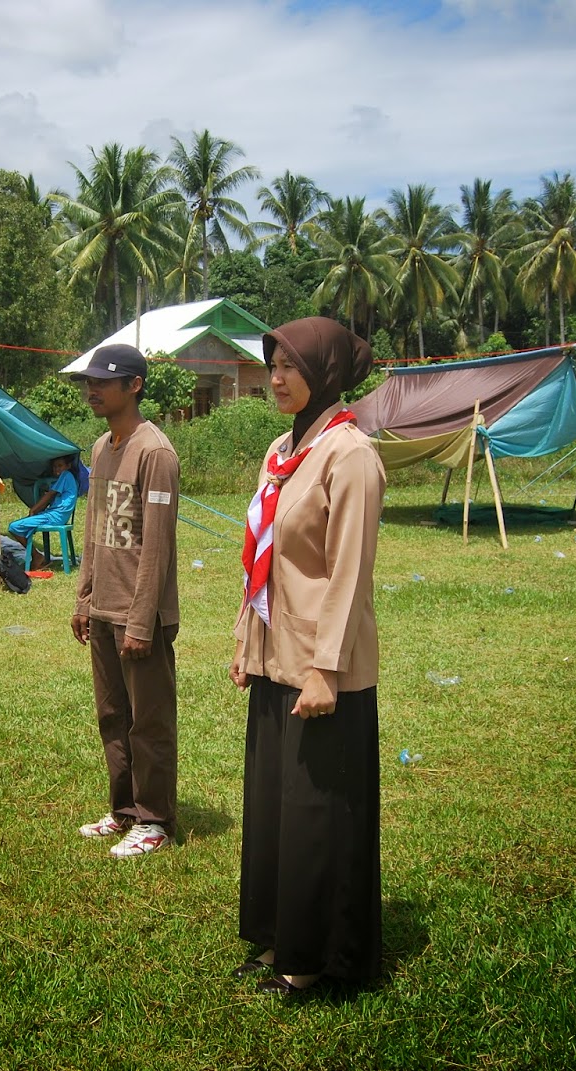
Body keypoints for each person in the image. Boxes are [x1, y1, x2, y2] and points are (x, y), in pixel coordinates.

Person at [229, 317, 386, 995]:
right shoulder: (280, 450)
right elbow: (260, 556)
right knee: (274, 810)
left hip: (322, 669)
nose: (277, 377)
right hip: (273, 657)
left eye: (291, 364)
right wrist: (246, 638)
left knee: (318, 815)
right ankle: (277, 937)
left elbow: (348, 573)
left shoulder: (350, 455)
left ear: (323, 371)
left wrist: (325, 667)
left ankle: (316, 958)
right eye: (272, 365)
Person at [70, 344, 181, 858]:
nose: (92, 390)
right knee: (112, 716)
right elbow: (95, 528)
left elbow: (156, 545)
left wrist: (141, 622)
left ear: (134, 385)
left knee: (149, 720)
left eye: (102, 382)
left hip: (141, 616)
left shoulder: (154, 452)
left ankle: (155, 819)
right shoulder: (100, 448)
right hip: (104, 608)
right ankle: (124, 811)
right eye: (88, 382)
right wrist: (84, 597)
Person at [7, 454, 79, 565]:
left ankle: (36, 556)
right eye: (55, 467)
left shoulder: (66, 475)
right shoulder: (64, 479)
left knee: (14, 527)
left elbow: (50, 494)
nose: (57, 469)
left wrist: (33, 510)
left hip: (56, 516)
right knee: (23, 525)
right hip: (56, 515)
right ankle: (36, 555)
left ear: (68, 466)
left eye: (60, 465)